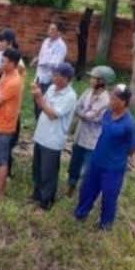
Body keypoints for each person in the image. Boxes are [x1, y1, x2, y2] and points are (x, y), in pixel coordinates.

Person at [75, 84, 135, 230]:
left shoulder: (130, 124)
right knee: (87, 190)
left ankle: (105, 224)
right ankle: (80, 214)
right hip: (97, 160)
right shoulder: (107, 113)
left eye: (113, 98)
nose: (109, 101)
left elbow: (133, 147)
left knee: (109, 196)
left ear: (123, 102)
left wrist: (117, 155)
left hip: (113, 167)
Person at [30, 62, 78, 211]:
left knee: (48, 172)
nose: (53, 77)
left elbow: (52, 114)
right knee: (37, 168)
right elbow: (43, 105)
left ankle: (46, 202)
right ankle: (37, 195)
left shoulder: (70, 96)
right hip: (41, 135)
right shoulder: (51, 88)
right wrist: (39, 98)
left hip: (53, 139)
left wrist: (38, 97)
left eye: (56, 75)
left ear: (66, 78)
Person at [66, 66, 115, 199]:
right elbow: (77, 107)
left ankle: (85, 193)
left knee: (88, 169)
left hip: (92, 140)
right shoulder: (88, 92)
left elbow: (93, 117)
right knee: (74, 163)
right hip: (80, 135)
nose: (91, 80)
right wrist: (85, 114)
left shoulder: (106, 100)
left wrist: (84, 114)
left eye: (94, 78)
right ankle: (71, 187)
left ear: (102, 81)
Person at [0, 48, 24, 197]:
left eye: (3, 61)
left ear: (12, 63)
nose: (0, 63)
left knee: (2, 161)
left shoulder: (14, 82)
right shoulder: (6, 75)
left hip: (4, 126)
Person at [35, 22, 68, 95]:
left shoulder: (61, 46)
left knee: (45, 101)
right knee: (36, 100)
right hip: (39, 76)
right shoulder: (46, 41)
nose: (50, 31)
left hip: (50, 79)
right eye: (49, 29)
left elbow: (56, 64)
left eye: (53, 29)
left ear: (59, 32)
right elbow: (40, 55)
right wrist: (38, 59)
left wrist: (43, 62)